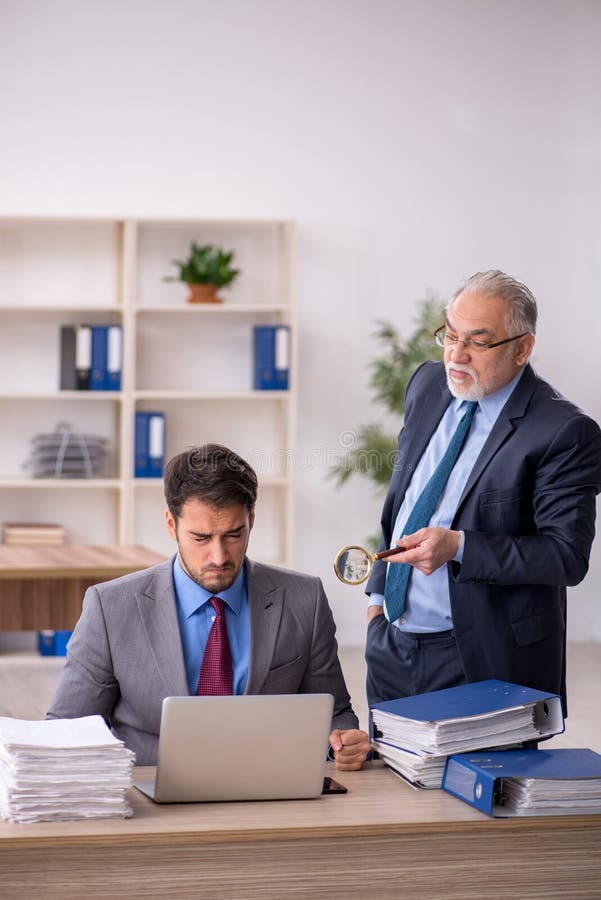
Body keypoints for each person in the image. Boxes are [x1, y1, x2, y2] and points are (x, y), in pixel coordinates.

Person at [48, 444, 369, 769]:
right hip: (150, 789)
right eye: (200, 538)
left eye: (233, 535)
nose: (218, 557)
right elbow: (65, 730)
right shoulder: (110, 608)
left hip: (266, 785)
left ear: (251, 521)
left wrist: (341, 743)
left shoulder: (305, 600)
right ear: (171, 525)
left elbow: (335, 713)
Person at [365, 270, 601, 713]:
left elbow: (566, 556)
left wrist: (459, 547)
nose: (456, 355)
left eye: (477, 342)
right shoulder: (428, 384)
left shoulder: (564, 431)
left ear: (522, 349)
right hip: (391, 647)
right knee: (390, 761)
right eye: (451, 335)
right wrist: (378, 605)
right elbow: (404, 499)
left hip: (482, 658)